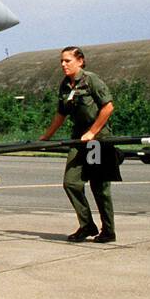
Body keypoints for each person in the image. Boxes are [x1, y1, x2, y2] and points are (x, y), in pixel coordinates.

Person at [39, 46, 116, 242]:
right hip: (78, 139)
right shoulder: (65, 85)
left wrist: (92, 132)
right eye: (61, 61)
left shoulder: (91, 80)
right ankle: (87, 225)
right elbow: (61, 114)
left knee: (99, 186)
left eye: (67, 61)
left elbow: (108, 107)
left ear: (80, 61)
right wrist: (45, 137)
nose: (63, 64)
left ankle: (108, 231)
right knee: (71, 183)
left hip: (97, 140)